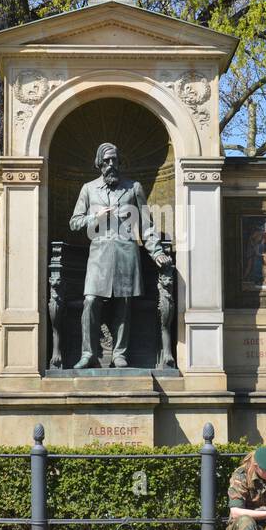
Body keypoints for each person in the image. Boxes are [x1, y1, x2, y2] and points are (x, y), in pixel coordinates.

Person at [69, 142, 171, 368]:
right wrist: (95, 218)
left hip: (126, 252)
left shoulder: (133, 187)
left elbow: (146, 225)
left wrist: (156, 252)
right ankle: (89, 354)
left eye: (114, 160)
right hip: (99, 253)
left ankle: (119, 354)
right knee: (91, 301)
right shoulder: (88, 189)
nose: (111, 164)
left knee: (124, 303)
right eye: (106, 161)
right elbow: (74, 223)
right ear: (99, 163)